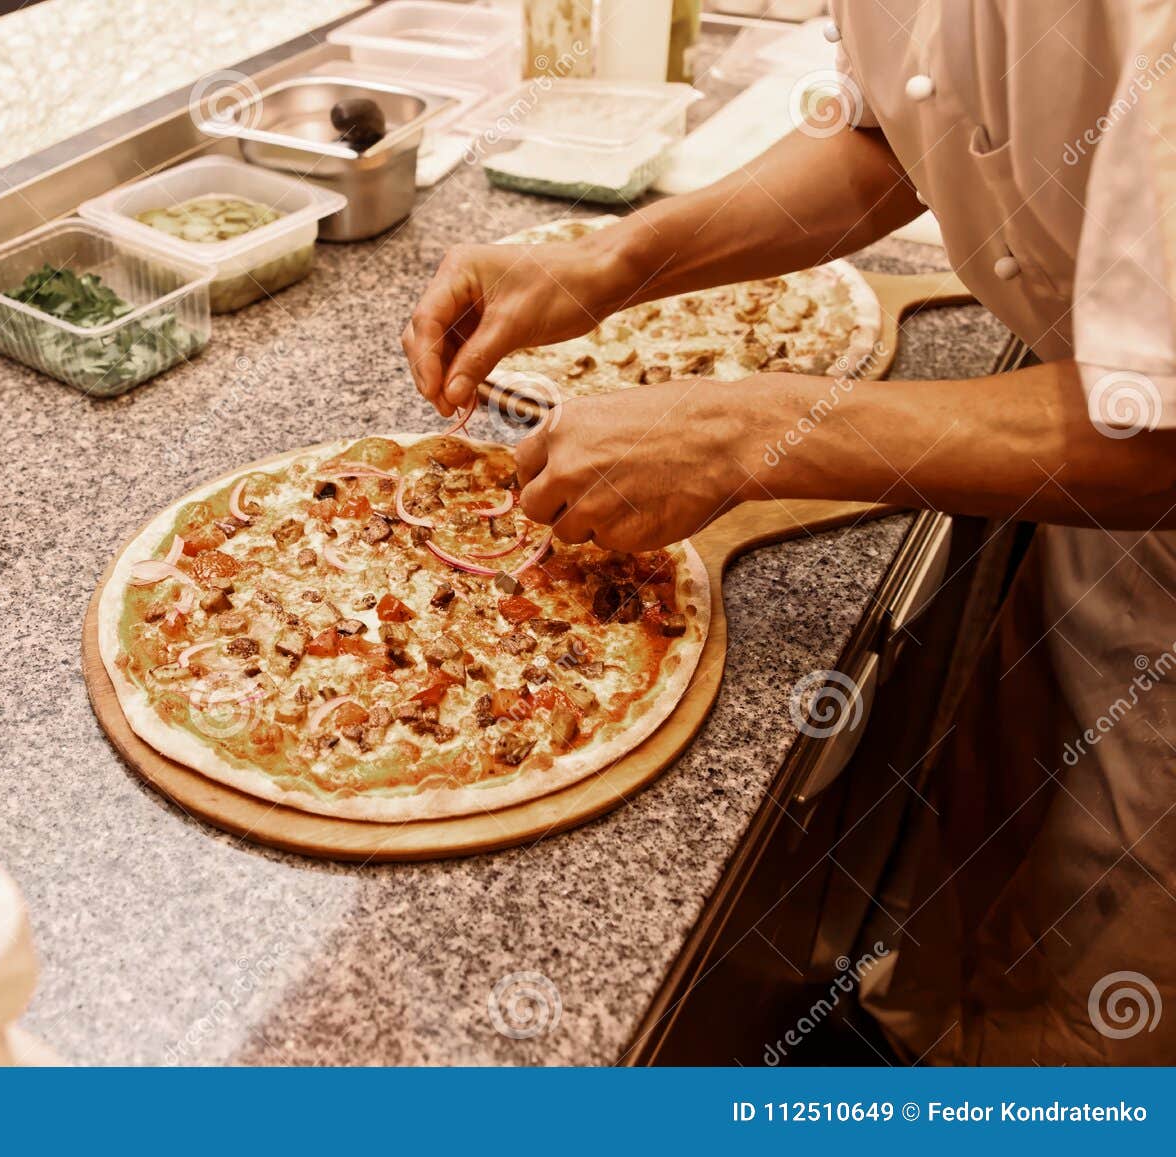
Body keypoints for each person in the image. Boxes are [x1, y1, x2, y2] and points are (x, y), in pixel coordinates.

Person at [403, 1, 1176, 1064]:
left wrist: (751, 429)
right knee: (1002, 916)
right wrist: (606, 264)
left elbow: (1156, 439)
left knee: (1110, 1002)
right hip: (1088, 515)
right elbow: (897, 138)